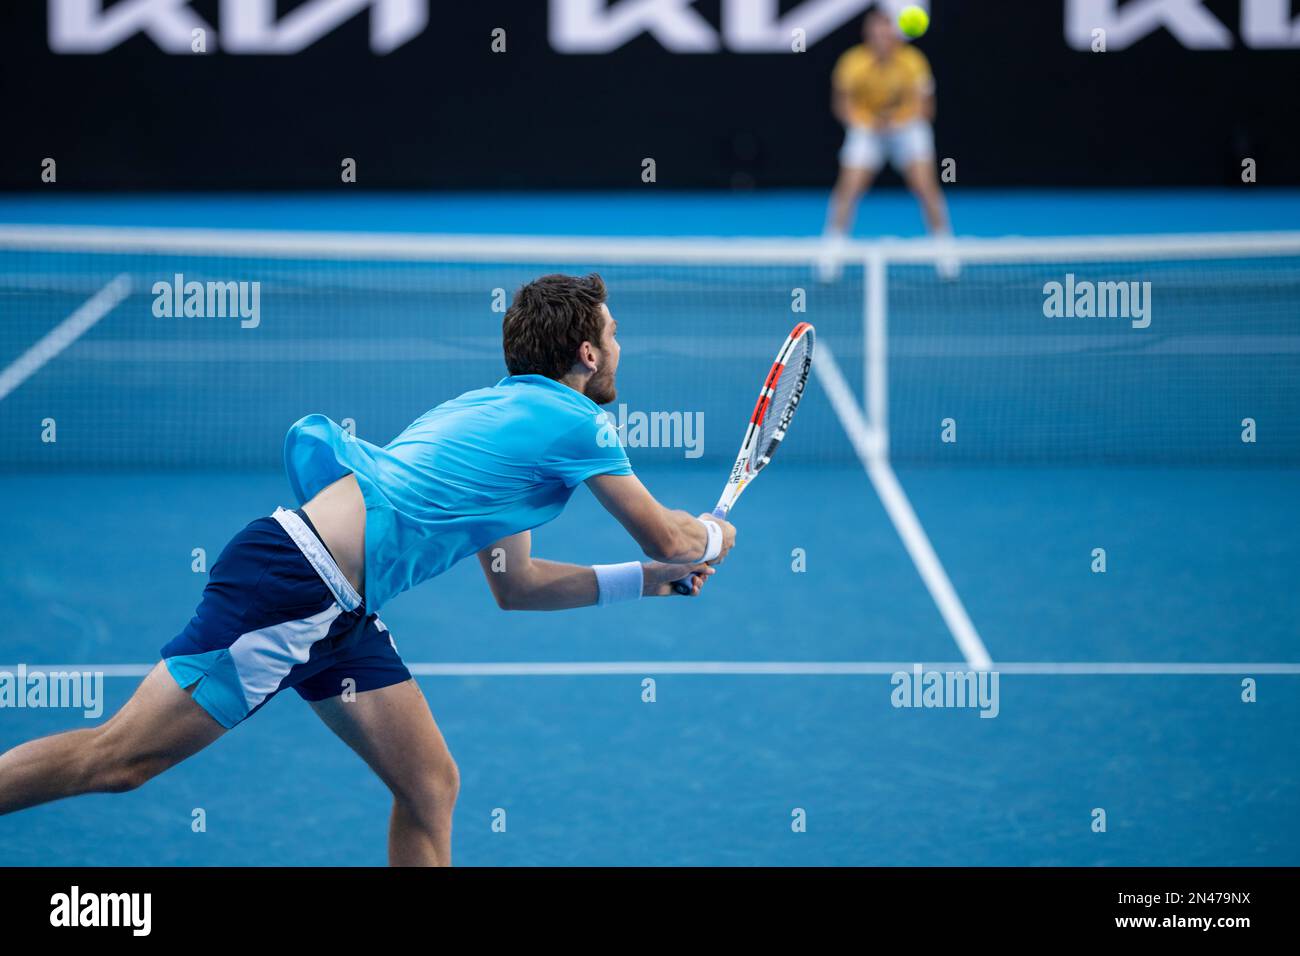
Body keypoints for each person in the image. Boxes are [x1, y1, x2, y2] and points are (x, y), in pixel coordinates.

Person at [0, 273, 736, 866]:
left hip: (340, 611)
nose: (618, 346)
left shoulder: (498, 417)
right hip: (295, 585)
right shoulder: (579, 423)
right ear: (584, 353)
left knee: (429, 786)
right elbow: (668, 534)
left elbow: (517, 586)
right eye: (612, 335)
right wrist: (707, 537)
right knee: (118, 761)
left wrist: (645, 580)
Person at [819, 8, 957, 280]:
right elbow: (842, 106)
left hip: (906, 129)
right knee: (848, 186)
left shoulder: (915, 62)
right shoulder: (851, 62)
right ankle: (831, 253)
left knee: (926, 185)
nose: (882, 35)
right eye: (876, 29)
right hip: (867, 129)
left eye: (886, 29)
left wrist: (895, 120)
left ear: (895, 33)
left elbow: (926, 109)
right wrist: (869, 121)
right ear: (867, 33)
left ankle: (945, 251)